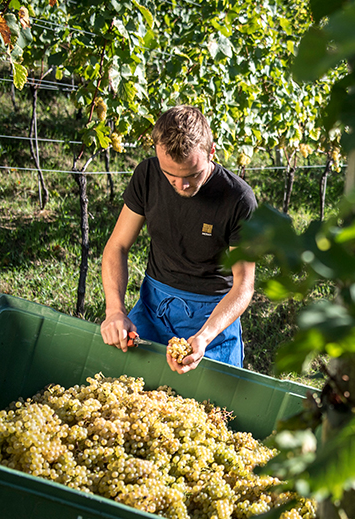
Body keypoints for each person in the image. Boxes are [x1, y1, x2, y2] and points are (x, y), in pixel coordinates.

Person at [100, 105, 256, 373]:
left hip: (213, 316)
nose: (181, 185)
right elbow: (118, 246)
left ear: (211, 153)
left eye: (192, 175)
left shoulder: (238, 199)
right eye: (170, 175)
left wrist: (205, 337)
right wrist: (115, 310)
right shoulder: (147, 175)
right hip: (153, 307)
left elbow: (244, 286)